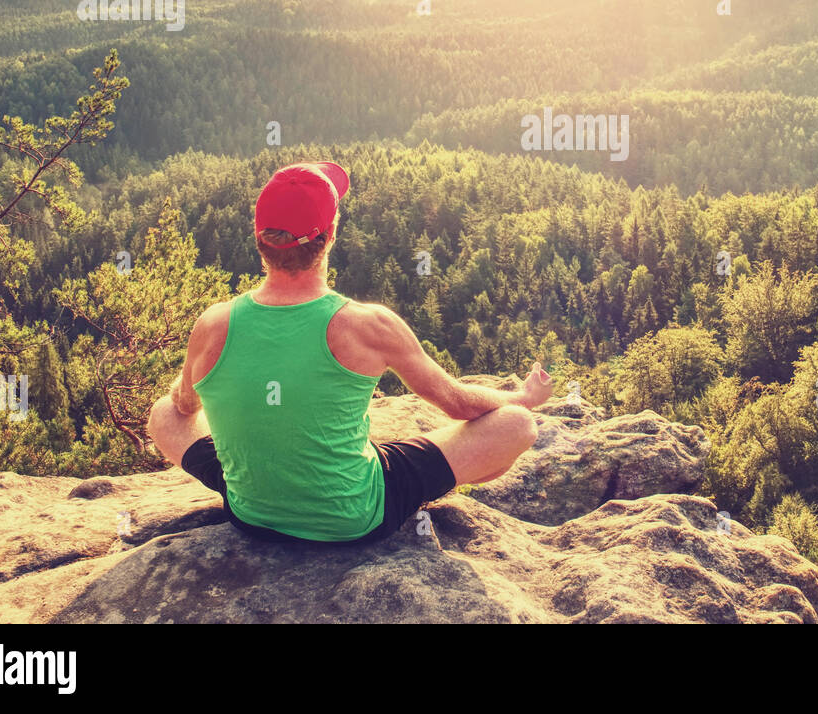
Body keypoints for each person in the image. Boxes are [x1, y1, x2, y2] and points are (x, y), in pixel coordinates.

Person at [146, 160, 551, 546]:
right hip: (356, 519)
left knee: (162, 413)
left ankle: (267, 484)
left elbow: (183, 406)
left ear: (259, 238)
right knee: (517, 424)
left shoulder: (213, 323)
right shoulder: (367, 324)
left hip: (251, 515)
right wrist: (523, 397)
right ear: (331, 234)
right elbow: (459, 404)